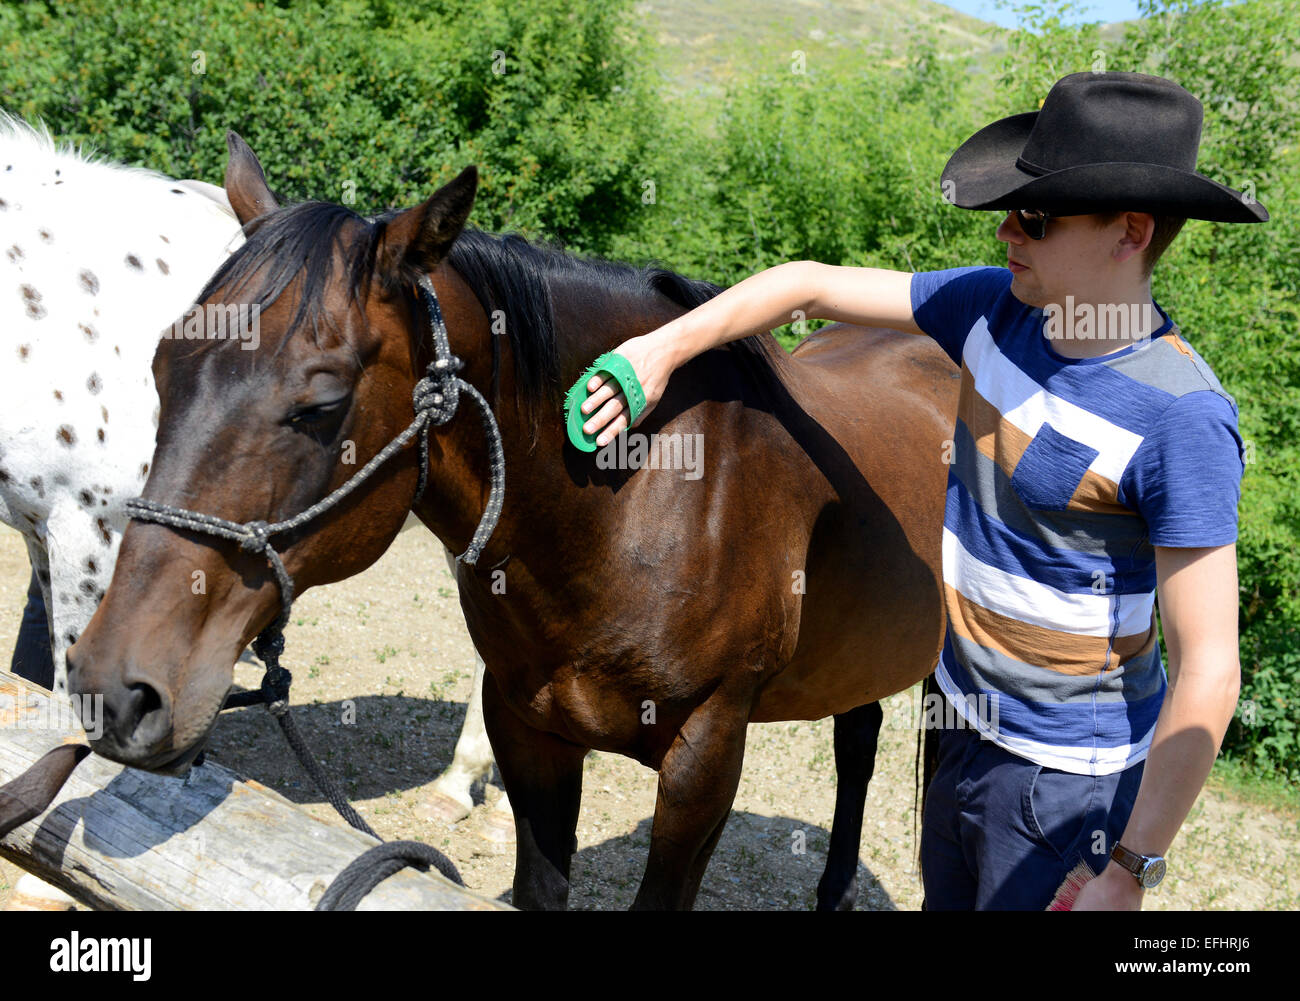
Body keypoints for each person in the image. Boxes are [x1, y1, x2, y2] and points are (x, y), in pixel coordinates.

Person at [573, 72, 1266, 910]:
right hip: (961, 731)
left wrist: (1131, 868)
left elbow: (1210, 672)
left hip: (1066, 785)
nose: (1007, 229)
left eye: (1037, 217)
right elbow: (810, 284)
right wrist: (661, 348)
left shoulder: (1183, 416)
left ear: (1132, 232)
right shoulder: (993, 310)